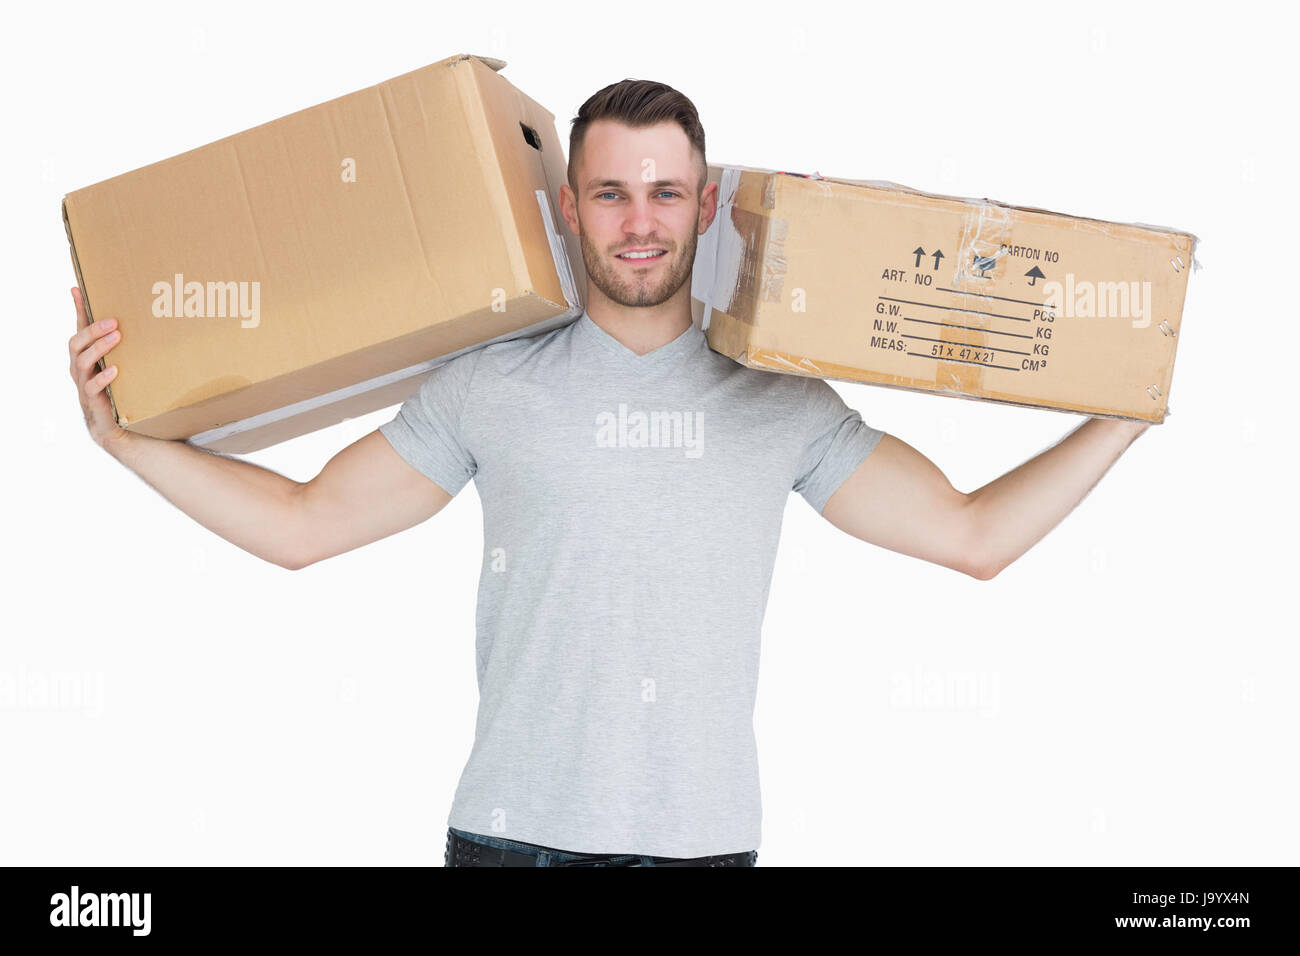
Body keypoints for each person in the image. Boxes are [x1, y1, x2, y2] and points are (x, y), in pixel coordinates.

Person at [66, 77, 1150, 868]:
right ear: (569, 206)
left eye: (667, 194)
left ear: (708, 205)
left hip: (706, 846)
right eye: (612, 193)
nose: (640, 224)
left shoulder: (779, 397)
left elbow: (971, 536)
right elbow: (306, 524)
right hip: (512, 837)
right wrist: (131, 440)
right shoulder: (491, 383)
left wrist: (1120, 415)